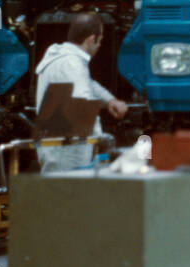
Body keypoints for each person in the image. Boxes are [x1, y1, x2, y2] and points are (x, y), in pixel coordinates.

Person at [34, 11, 129, 173]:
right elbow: (83, 103)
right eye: (100, 41)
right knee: (69, 194)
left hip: (54, 147)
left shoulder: (61, 58)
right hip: (69, 151)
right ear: (91, 39)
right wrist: (101, 139)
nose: (99, 46)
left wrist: (110, 100)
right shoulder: (73, 64)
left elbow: (88, 84)